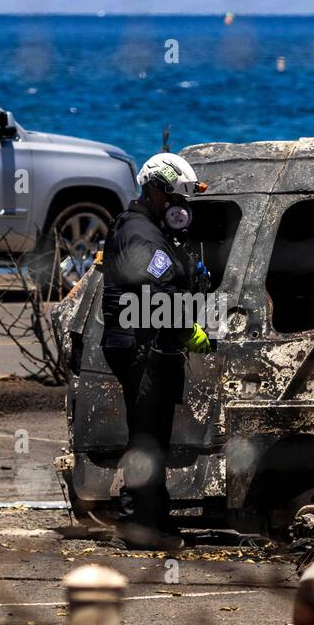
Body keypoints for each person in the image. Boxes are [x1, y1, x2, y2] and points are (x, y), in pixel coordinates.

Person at [100, 152, 212, 550]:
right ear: (153, 191)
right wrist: (187, 330)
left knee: (153, 435)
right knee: (147, 436)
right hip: (140, 346)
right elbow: (157, 290)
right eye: (174, 198)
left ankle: (154, 520)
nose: (179, 207)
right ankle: (136, 527)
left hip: (146, 341)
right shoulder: (140, 233)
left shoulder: (147, 230)